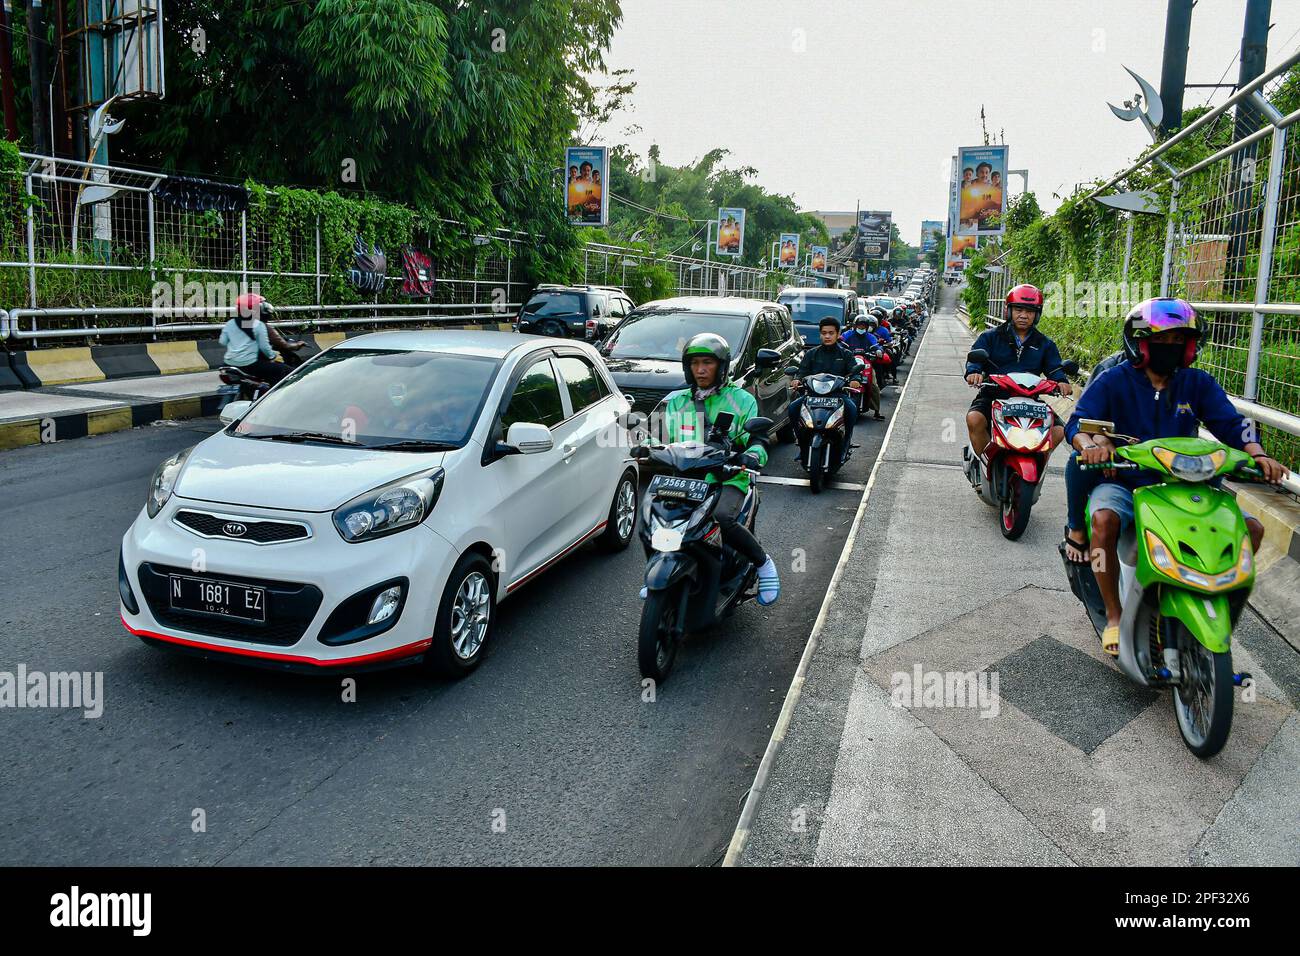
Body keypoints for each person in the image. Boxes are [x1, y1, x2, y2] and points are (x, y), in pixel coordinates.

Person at [1064, 298, 1287, 655]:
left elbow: (1234, 425)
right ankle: (1114, 615)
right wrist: (1089, 444)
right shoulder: (1113, 380)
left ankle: (1221, 611)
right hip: (1127, 481)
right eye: (1161, 340)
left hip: (1187, 485)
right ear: (1139, 343)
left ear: (1190, 346)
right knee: (1103, 521)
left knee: (1252, 529)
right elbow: (1079, 421)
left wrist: (1257, 453)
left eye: (1178, 340)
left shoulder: (1198, 383)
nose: (1170, 347)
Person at [652, 333, 780, 605]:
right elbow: (658, 435)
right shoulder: (677, 401)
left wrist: (752, 455)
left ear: (721, 366)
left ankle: (763, 562)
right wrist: (644, 446)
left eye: (707, 363)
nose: (700, 369)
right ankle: (659, 571)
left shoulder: (741, 400)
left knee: (722, 517)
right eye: (695, 363)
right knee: (656, 517)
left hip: (728, 478)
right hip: (686, 479)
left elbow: (758, 440)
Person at [964, 283, 1072, 458]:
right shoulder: (990, 337)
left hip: (1030, 400)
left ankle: (1038, 463)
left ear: (1037, 314)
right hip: (994, 395)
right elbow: (975, 359)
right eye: (1018, 310)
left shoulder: (1045, 344)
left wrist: (1062, 381)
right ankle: (987, 462)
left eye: (1029, 311)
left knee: (1059, 430)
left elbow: (1054, 368)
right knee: (974, 419)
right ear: (1009, 310)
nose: (1023, 315)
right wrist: (974, 372)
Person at [788, 317, 863, 450]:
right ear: (820, 334)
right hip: (812, 395)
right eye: (824, 333)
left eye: (831, 333)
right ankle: (802, 443)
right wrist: (797, 379)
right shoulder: (811, 353)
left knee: (852, 409)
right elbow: (802, 371)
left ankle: (846, 442)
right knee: (793, 408)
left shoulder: (846, 354)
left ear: (838, 334)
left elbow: (854, 371)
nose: (827, 336)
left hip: (838, 395)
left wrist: (855, 380)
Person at [219, 292, 292, 385]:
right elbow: (264, 348)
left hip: (228, 364)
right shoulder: (259, 325)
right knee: (287, 371)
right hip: (250, 365)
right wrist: (273, 356)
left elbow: (223, 341)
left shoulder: (231, 323)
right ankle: (275, 393)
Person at [840, 315, 885, 421]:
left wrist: (879, 350)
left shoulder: (870, 336)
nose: (861, 328)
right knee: (839, 381)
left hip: (865, 363)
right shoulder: (847, 334)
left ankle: (877, 411)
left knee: (874, 385)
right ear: (855, 326)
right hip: (849, 363)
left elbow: (876, 345)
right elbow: (840, 342)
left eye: (864, 326)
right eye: (859, 325)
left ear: (867, 327)